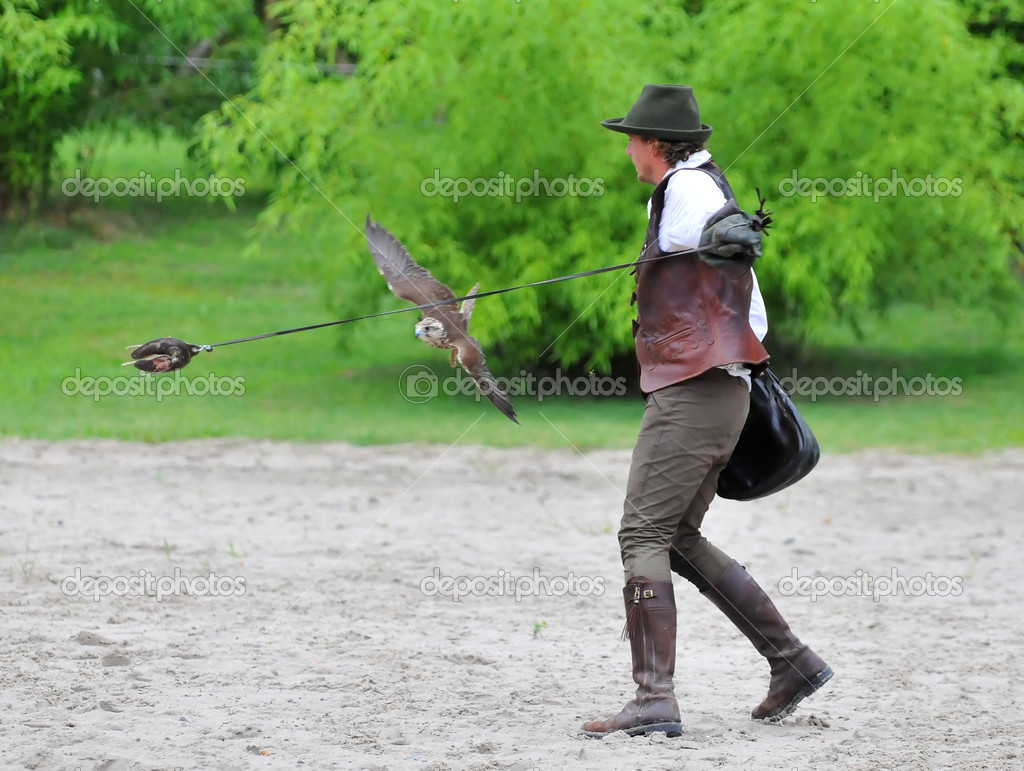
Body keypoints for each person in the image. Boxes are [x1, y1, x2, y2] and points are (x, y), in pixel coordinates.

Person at [581, 84, 832, 738]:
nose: (628, 147)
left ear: (656, 143)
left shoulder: (691, 192)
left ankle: (653, 697)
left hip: (697, 392)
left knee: (641, 535)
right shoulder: (683, 189)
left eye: (633, 137)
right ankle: (792, 661)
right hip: (717, 390)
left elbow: (728, 232)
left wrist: (731, 234)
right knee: (678, 541)